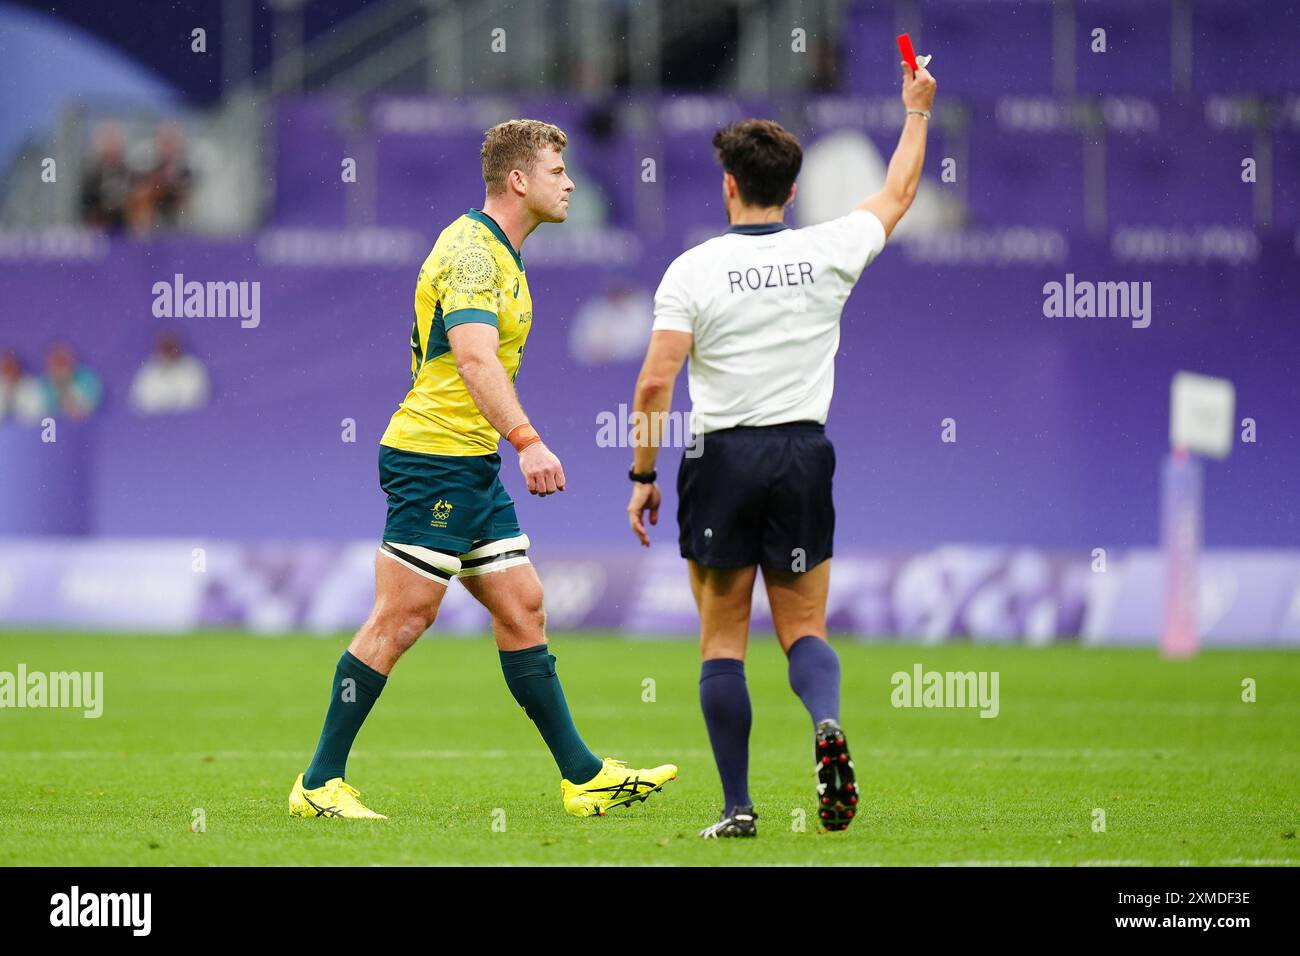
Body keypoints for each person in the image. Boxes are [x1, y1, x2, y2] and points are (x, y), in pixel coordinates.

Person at [289, 119, 677, 820]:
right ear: (519, 180)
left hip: (469, 462)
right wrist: (528, 439)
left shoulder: (501, 251)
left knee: (523, 606)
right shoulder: (472, 254)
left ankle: (583, 777)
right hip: (434, 457)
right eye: (558, 170)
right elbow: (473, 358)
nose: (570, 183)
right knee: (402, 619)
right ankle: (318, 783)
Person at [626, 59, 937, 838]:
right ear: (793, 191)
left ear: (728, 186)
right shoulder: (830, 249)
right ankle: (826, 723)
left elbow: (655, 384)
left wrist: (642, 474)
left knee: (722, 637)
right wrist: (918, 111)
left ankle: (737, 808)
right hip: (803, 454)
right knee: (805, 630)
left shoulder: (692, 270)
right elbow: (898, 194)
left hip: (723, 457)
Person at [129, 332, 209, 415]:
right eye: (165, 349)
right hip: (156, 424)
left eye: (171, 348)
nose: (168, 353)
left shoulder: (192, 368)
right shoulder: (149, 371)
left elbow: (197, 399)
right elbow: (140, 401)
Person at [38, 344, 102, 420]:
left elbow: (84, 413)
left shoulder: (87, 380)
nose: (60, 370)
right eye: (56, 364)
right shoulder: (44, 384)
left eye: (63, 363)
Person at [0, 351, 45, 423]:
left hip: (24, 430)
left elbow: (36, 414)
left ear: (18, 368)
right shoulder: (1, 386)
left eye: (11, 367)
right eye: (6, 367)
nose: (9, 371)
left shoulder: (30, 385)